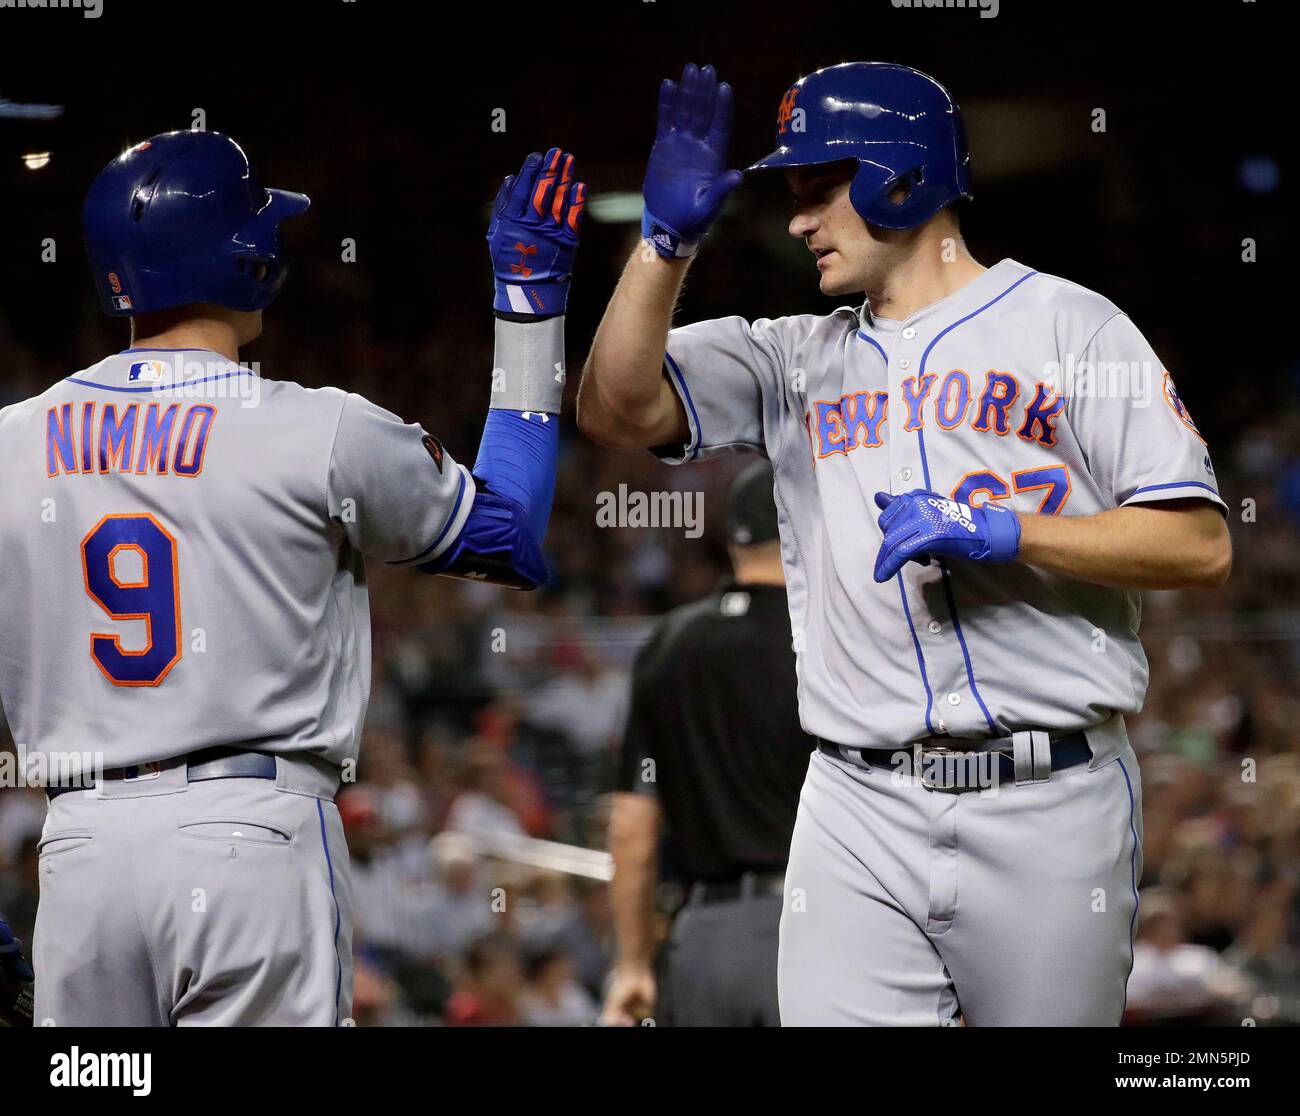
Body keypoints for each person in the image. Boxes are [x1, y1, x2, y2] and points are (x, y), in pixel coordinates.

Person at [577, 61, 1232, 1026]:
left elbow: (1201, 544)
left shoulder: (1073, 327)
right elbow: (613, 406)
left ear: (899, 174)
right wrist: (663, 246)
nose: (798, 221)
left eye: (818, 189)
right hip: (855, 799)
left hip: (1049, 799)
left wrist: (1012, 532)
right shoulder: (793, 359)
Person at [0, 131, 585, 1025]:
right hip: (248, 838)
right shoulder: (313, 427)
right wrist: (529, 305)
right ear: (248, 261)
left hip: (80, 855)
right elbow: (507, 540)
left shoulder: (10, 446)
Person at [603, 461, 812, 1026]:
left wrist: (632, 965)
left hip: (702, 942)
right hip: (817, 927)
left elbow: (631, 830)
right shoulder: (829, 639)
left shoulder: (669, 643)